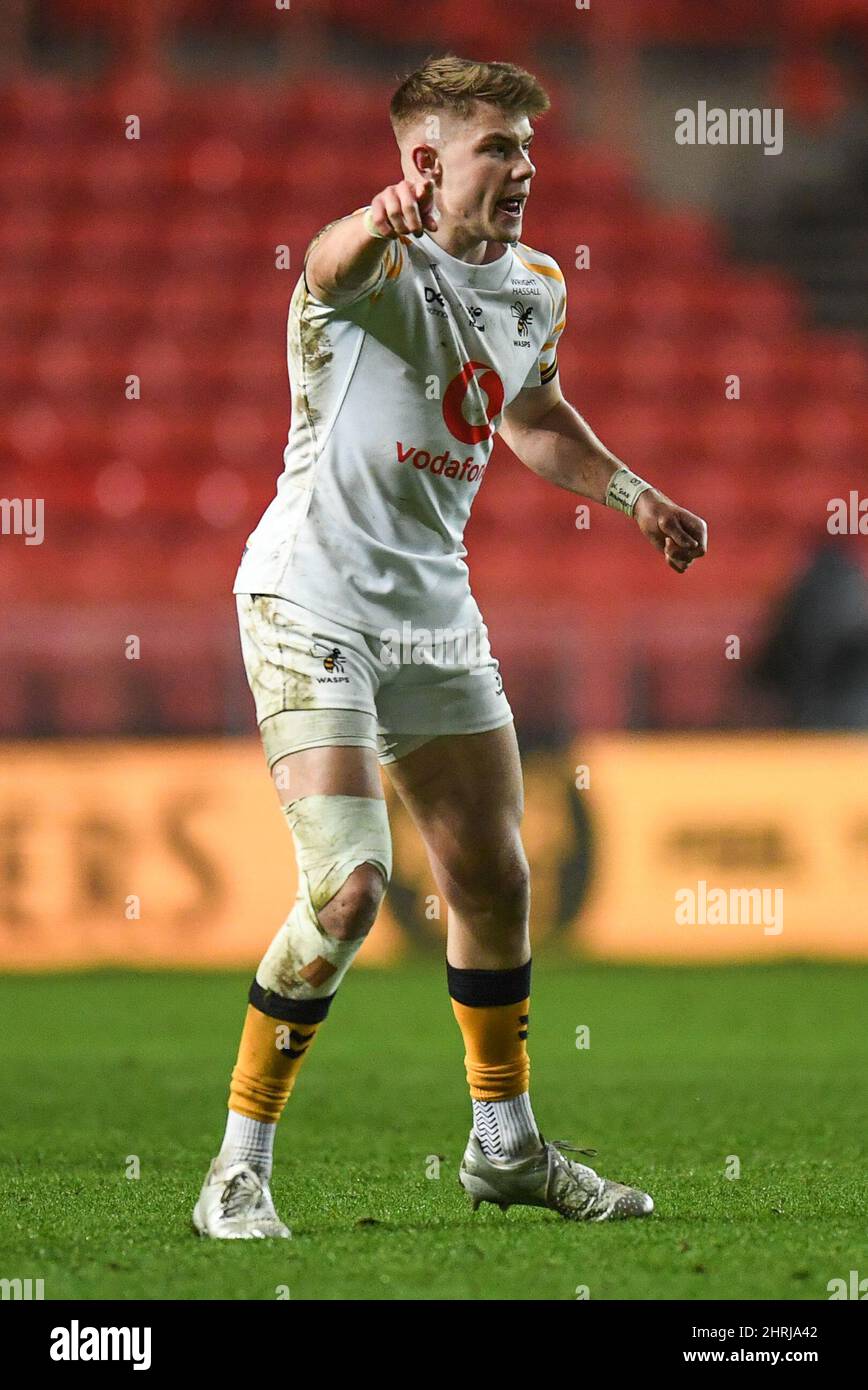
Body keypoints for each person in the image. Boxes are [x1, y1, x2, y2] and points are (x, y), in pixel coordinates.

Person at [193, 54, 707, 1238]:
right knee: (351, 890)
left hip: (432, 612)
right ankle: (237, 1168)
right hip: (308, 601)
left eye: (529, 148)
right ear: (424, 161)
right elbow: (324, 266)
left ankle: (506, 1148)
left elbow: (529, 413)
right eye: (499, 149)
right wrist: (374, 220)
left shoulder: (535, 284)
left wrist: (632, 495)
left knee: (493, 877)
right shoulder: (369, 268)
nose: (526, 169)